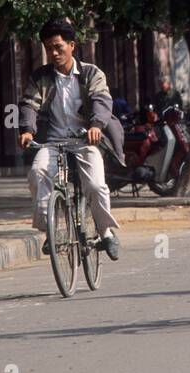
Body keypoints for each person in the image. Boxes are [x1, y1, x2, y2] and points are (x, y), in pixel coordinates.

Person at [18, 19, 124, 260]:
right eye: (48, 48)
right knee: (37, 172)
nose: (54, 53)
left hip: (86, 141)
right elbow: (29, 103)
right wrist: (27, 129)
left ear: (72, 45)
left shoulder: (91, 73)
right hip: (53, 142)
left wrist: (96, 126)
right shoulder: (40, 77)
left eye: (58, 47)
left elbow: (101, 101)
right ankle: (52, 231)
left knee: (96, 186)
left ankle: (106, 232)